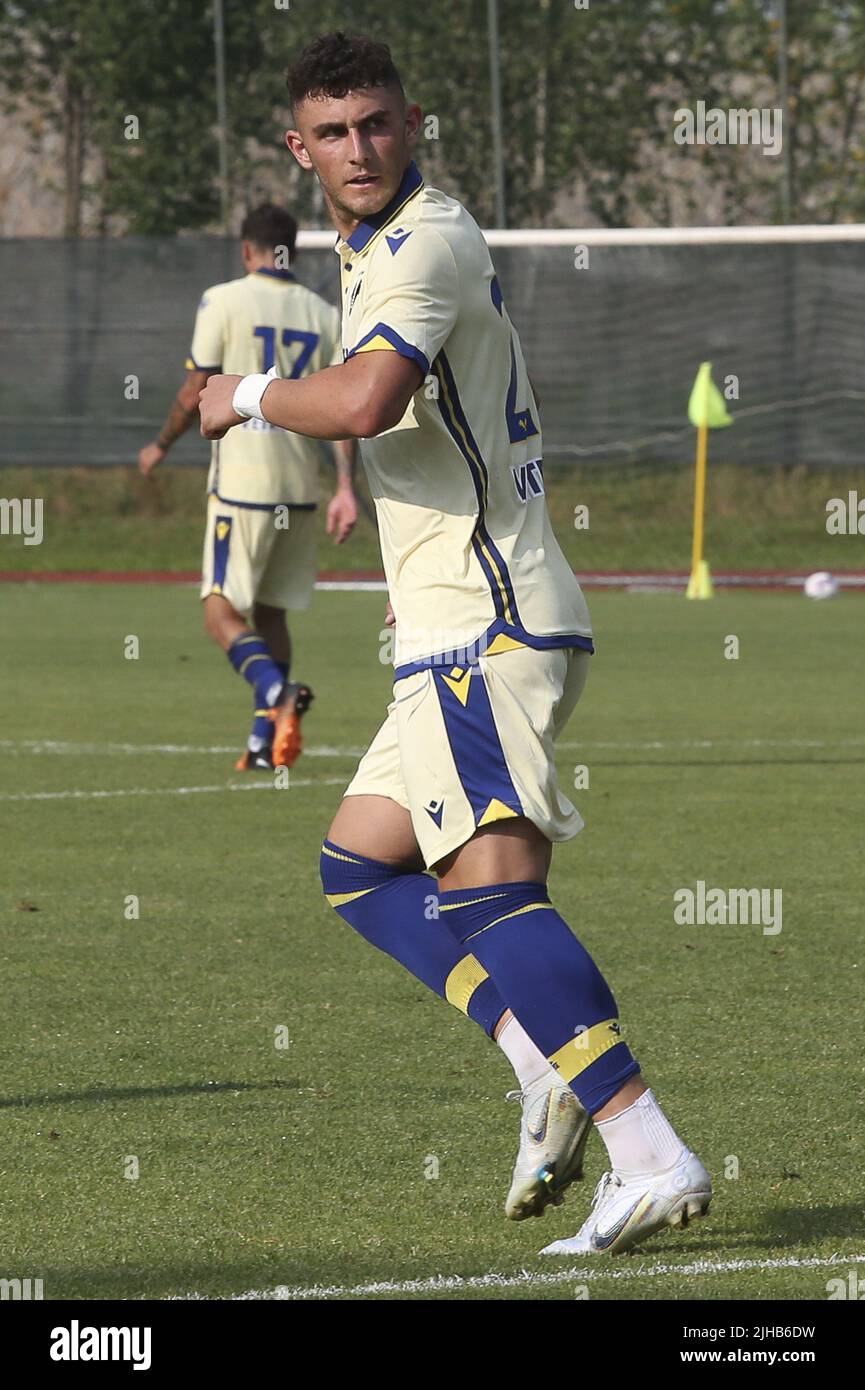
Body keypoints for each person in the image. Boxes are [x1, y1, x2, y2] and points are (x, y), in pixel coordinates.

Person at [198, 32, 711, 1253]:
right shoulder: (365, 247)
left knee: (489, 896)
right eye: (333, 131)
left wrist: (247, 396)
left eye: (376, 123)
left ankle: (646, 1150)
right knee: (359, 868)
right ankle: (545, 1067)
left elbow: (367, 401)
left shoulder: (424, 237)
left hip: (486, 636)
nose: (358, 148)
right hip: (452, 626)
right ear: (298, 147)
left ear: (413, 122)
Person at [139, 202, 358, 769]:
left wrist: (161, 444)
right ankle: (264, 745)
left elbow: (195, 391)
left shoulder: (223, 299)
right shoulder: (322, 313)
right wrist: (346, 488)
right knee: (272, 614)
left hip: (242, 484)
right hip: (300, 487)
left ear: (246, 250)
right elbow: (342, 407)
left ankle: (276, 694)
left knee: (219, 610)